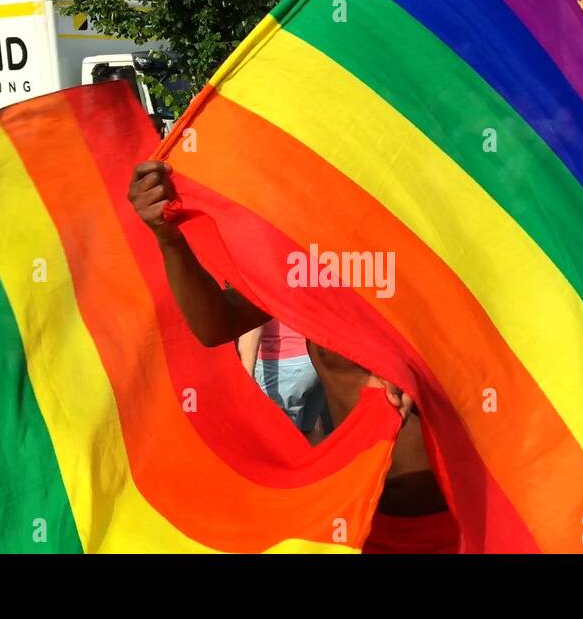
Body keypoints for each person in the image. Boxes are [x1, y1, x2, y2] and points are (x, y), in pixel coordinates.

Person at [127, 161, 459, 552]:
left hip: (464, 522)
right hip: (355, 524)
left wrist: (422, 374)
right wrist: (168, 239)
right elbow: (216, 324)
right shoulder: (312, 263)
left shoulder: (442, 255)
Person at [237, 319, 326, 440]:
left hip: (282, 366)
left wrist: (246, 381)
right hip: (316, 358)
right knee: (309, 428)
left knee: (280, 441)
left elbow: (251, 325)